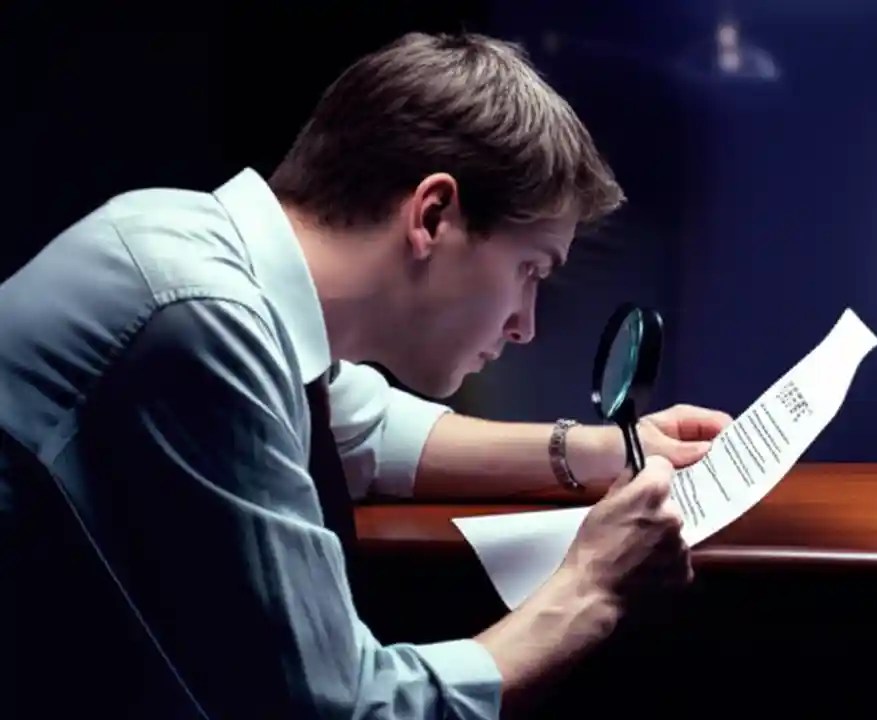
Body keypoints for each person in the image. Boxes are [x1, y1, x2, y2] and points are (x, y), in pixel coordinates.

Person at [0, 32, 733, 718]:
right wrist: (591, 586)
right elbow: (346, 706)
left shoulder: (193, 245)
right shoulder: (200, 321)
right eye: (529, 271)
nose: (525, 325)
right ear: (433, 216)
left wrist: (595, 451)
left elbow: (368, 430)